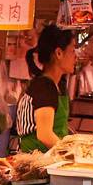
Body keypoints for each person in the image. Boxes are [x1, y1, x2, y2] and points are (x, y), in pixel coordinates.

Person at [14, 24, 77, 152]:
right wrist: (72, 155)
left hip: (50, 160)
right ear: (59, 53)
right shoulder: (44, 86)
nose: (76, 56)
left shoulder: (57, 85)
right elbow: (45, 135)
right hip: (36, 162)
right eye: (73, 50)